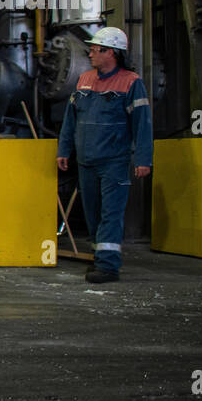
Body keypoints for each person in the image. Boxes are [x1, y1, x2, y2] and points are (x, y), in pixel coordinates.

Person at [55, 26, 153, 283]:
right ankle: (100, 259)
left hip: (114, 162)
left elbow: (142, 124)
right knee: (93, 214)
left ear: (112, 53)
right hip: (86, 161)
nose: (90, 54)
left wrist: (143, 159)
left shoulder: (131, 83)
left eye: (96, 50)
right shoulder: (85, 80)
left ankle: (108, 266)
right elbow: (70, 119)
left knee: (110, 214)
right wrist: (64, 149)